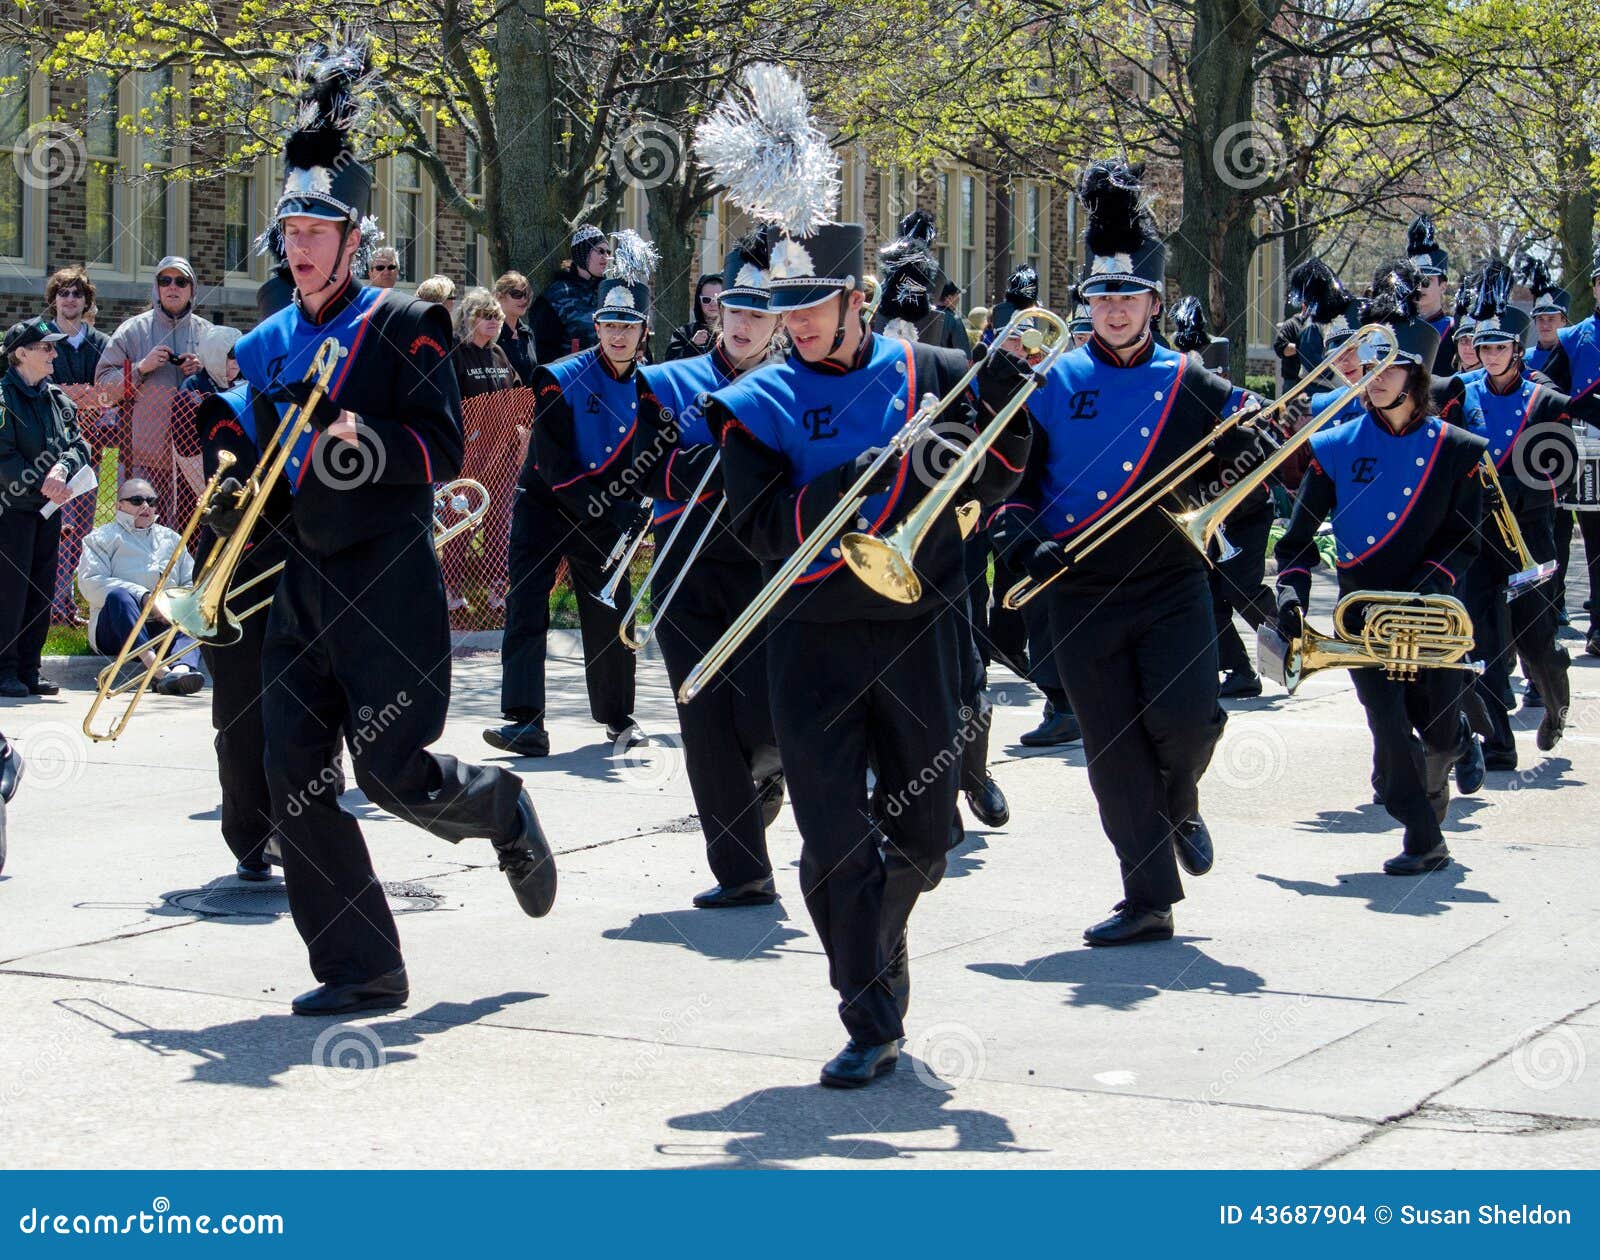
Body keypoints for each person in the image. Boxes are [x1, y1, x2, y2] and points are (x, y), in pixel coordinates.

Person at [705, 65, 1034, 1086]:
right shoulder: (756, 404)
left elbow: (1007, 471)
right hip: (809, 639)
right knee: (833, 839)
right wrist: (855, 474)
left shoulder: (931, 377)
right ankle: (868, 1015)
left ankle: (881, 933)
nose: (794, 328)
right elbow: (759, 529)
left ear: (855, 301)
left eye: (813, 310)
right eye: (783, 310)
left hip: (921, 630)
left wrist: (1009, 402)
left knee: (924, 840)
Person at [222, 42, 554, 1016]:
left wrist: (358, 439)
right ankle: (362, 967)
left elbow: (441, 446)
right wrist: (224, 430)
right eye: (289, 224)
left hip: (387, 580)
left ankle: (498, 807)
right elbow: (249, 442)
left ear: (354, 232)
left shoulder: (406, 321)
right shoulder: (268, 339)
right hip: (299, 581)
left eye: (318, 225)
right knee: (292, 779)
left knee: (393, 772)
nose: (299, 242)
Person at [989, 160, 1261, 946]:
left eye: (1127, 296)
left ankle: (1181, 801)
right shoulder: (1046, 380)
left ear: (1152, 303)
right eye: (1101, 297)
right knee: (1111, 752)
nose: (1113, 309)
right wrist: (1021, 540)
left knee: (1190, 721)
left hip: (1173, 584)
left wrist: (1268, 443)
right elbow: (1012, 481)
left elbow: (1249, 472)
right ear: (1088, 305)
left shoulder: (1195, 382)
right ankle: (1148, 899)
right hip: (1079, 590)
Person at [1272, 268, 1486, 876]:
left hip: (1433, 605)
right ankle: (1424, 838)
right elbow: (1295, 542)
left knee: (1436, 732)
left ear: (1415, 375)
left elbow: (1467, 537)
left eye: (1389, 367)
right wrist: (1290, 596)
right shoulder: (1335, 445)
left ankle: (1457, 741)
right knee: (1388, 728)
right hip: (1365, 614)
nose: (1376, 379)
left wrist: (1432, 584)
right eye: (1368, 368)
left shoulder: (1459, 449)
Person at [632, 230, 787, 907]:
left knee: (767, 715)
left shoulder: (795, 386)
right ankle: (742, 870)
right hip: (686, 567)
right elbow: (651, 470)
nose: (746, 324)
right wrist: (735, 464)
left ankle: (769, 764)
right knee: (703, 722)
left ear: (779, 319)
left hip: (766, 569)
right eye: (736, 311)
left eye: (760, 313)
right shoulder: (668, 382)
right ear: (716, 312)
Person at [487, 231, 655, 757]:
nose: (619, 336)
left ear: (643, 332)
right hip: (545, 503)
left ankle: (618, 717)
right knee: (526, 606)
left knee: (611, 614)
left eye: (628, 326)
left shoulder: (654, 390)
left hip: (603, 515)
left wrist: (643, 511)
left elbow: (656, 460)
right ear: (597, 327)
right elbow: (554, 462)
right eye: (609, 325)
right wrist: (615, 507)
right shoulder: (559, 378)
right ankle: (524, 721)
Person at [1434, 262, 1573, 765]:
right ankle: (1498, 744)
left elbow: (1557, 471)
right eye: (1484, 347)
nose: (1490, 355)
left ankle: (1556, 704)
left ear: (1517, 350)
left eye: (1500, 348)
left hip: (1530, 534)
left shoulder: (1544, 399)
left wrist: (1507, 487)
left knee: (1536, 637)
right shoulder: (1460, 394)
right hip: (1477, 534)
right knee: (1481, 637)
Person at [1172, 296, 1270, 700]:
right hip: (1202, 515)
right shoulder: (1177, 405)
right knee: (1209, 596)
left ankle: (1286, 633)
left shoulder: (1243, 401)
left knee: (1240, 588)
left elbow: (1265, 453)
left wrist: (1232, 440)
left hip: (1246, 510)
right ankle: (1240, 670)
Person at [1, 319, 92, 698]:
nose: (55, 353)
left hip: (47, 511)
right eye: (46, 348)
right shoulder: (3, 399)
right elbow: (2, 456)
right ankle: (4, 670)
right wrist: (42, 482)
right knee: (10, 591)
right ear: (21, 354)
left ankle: (29, 667)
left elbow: (80, 444)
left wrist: (61, 469)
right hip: (12, 511)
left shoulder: (56, 398)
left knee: (41, 589)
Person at [76, 477, 205, 695]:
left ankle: (182, 670)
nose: (146, 506)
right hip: (116, 628)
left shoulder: (171, 539)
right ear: (119, 505)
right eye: (136, 500)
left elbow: (190, 582)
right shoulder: (100, 538)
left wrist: (171, 607)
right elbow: (91, 583)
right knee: (120, 596)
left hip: (163, 624)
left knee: (195, 605)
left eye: (151, 501)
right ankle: (158, 671)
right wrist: (145, 598)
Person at [94, 256, 212, 490]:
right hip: (142, 459)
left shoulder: (208, 333)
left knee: (190, 527)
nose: (172, 287)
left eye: (181, 281)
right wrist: (140, 368)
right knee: (140, 524)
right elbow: (103, 390)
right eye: (165, 280)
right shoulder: (132, 330)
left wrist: (204, 372)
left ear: (192, 289)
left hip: (195, 458)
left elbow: (231, 385)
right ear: (156, 287)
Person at [531, 225, 610, 364]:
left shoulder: (610, 292)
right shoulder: (557, 296)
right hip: (569, 377)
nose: (606, 257)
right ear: (583, 253)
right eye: (600, 251)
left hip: (606, 377)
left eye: (608, 252)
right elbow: (543, 349)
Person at [1404, 215, 1457, 377]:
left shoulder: (1456, 330)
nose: (1420, 287)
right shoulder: (1401, 328)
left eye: (1427, 280)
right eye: (1415, 280)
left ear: (1443, 285)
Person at [45, 267, 109, 387]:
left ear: (86, 302)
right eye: (63, 293)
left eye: (77, 294)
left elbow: (109, 389)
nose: (70, 299)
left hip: (94, 406)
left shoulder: (103, 343)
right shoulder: (39, 340)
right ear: (54, 300)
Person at [494, 271, 537, 386]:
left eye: (526, 295)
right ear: (499, 296)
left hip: (528, 402)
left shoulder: (527, 333)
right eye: (517, 294)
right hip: (502, 401)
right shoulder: (491, 333)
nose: (523, 300)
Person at [666, 274, 723, 360]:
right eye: (706, 299)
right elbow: (670, 365)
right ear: (699, 301)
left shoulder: (734, 333)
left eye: (718, 299)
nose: (713, 304)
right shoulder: (683, 333)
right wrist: (692, 345)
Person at [180, 326, 242, 397]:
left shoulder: (246, 385)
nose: (237, 361)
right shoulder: (193, 385)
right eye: (232, 354)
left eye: (240, 353)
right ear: (215, 355)